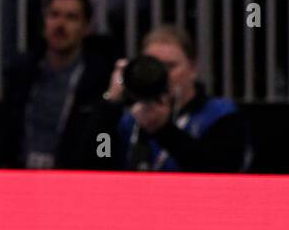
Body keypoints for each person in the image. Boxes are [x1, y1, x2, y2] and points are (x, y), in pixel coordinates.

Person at [89, 24, 247, 172]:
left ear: (193, 68)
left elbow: (218, 171)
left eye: (170, 66)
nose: (161, 74)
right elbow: (93, 161)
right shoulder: (130, 118)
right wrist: (110, 104)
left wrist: (164, 130)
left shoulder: (220, 114)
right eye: (153, 66)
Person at [3, 0, 115, 169]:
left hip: (73, 178)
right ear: (44, 21)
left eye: (71, 17)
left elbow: (102, 145)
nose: (60, 24)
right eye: (54, 15)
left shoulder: (99, 80)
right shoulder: (21, 73)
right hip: (19, 174)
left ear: (86, 27)